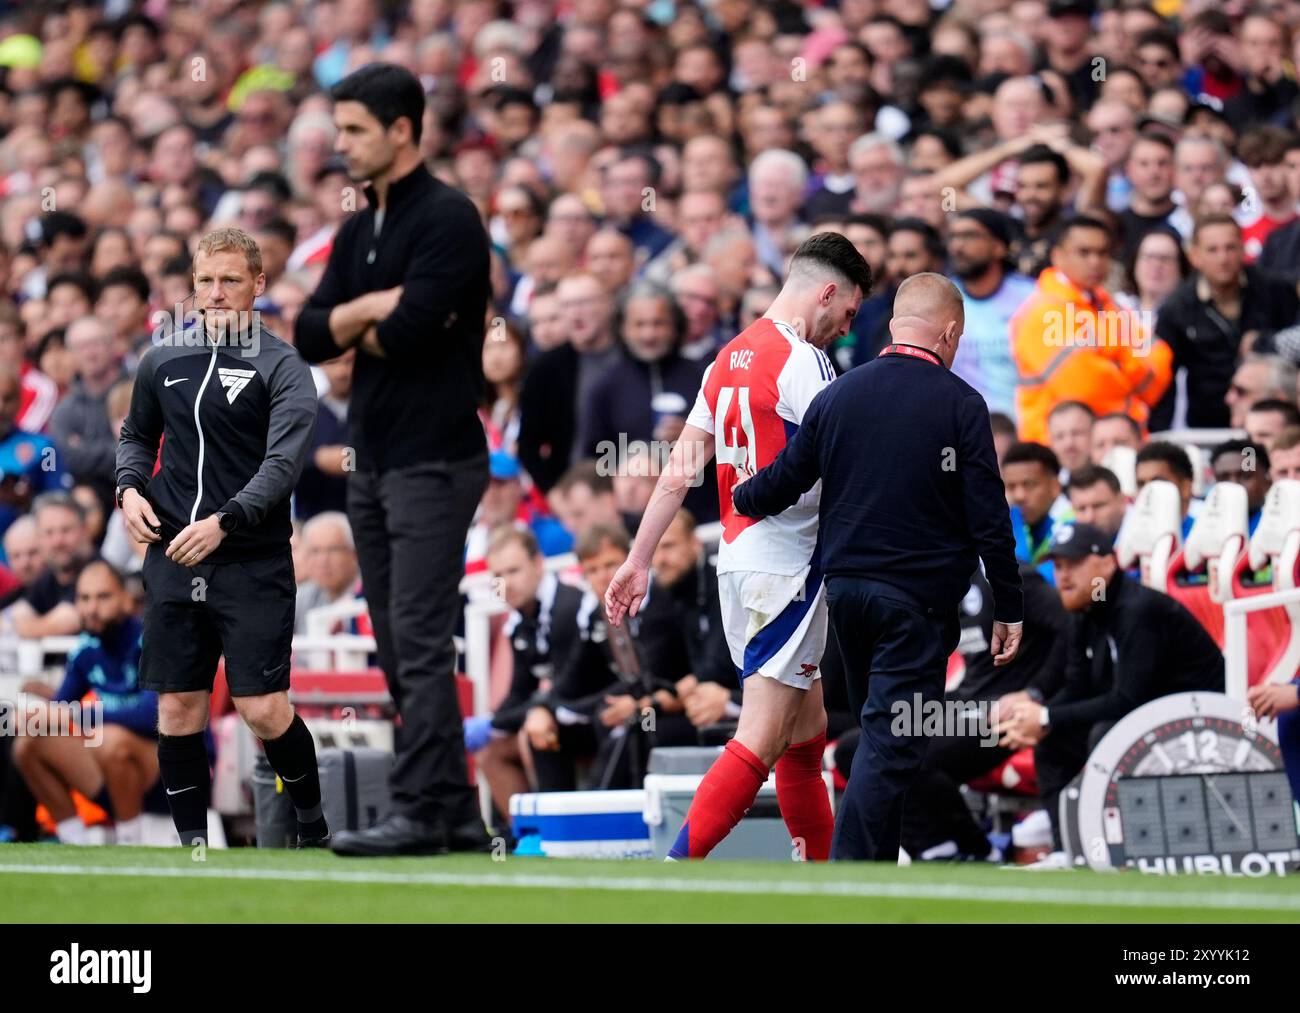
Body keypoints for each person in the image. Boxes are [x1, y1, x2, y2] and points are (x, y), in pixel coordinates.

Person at [732, 273, 1024, 861]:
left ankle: (881, 868)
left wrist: (739, 494)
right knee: (893, 743)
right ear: (949, 332)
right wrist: (1008, 605)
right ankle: (850, 878)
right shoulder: (962, 404)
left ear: (894, 325)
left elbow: (783, 483)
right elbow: (990, 516)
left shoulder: (839, 395)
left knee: (883, 737)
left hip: (848, 600)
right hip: (914, 601)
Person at [606, 232, 871, 861]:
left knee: (805, 738)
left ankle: (822, 881)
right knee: (760, 735)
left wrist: (638, 559)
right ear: (827, 292)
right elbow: (841, 461)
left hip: (738, 565)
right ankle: (675, 867)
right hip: (787, 571)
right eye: (849, 312)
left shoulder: (726, 357)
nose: (845, 327)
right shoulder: (804, 361)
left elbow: (677, 472)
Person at [294, 64, 494, 856]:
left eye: (353, 131)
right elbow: (309, 333)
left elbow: (410, 331)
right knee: (398, 639)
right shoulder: (357, 227)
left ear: (402, 129)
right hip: (373, 461)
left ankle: (418, 804)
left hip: (435, 458)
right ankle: (450, 811)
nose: (340, 145)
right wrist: (366, 310)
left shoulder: (448, 217)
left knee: (414, 636)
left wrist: (362, 323)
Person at [116, 226, 324, 850]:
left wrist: (225, 522)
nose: (216, 293)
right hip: (175, 553)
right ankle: (193, 850)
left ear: (258, 285)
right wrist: (128, 490)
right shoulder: (162, 358)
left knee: (262, 708)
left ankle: (312, 828)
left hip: (251, 560)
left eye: (231, 280)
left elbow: (282, 468)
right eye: (205, 280)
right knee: (177, 706)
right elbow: (135, 436)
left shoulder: (284, 367)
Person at [995, 522, 1225, 863]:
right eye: (1058, 566)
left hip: (1197, 723)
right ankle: (1067, 850)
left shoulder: (1137, 610)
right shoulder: (1084, 611)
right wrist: (1037, 720)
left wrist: (1046, 715)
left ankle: (1119, 847)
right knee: (1053, 742)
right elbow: (1077, 687)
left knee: (1104, 733)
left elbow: (1128, 700)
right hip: (1148, 721)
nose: (1064, 576)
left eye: (1074, 564)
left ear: (1107, 563)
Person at [12, 560, 158, 845]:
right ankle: (74, 842)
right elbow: (60, 712)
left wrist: (76, 716)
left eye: (103, 597)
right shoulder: (84, 650)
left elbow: (154, 714)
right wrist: (30, 716)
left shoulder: (151, 640)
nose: (92, 608)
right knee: (29, 742)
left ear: (127, 600)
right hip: (112, 771)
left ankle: (130, 844)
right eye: (84, 598)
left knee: (111, 740)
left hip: (171, 766)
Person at [1010, 215, 1172, 443]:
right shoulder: (1042, 312)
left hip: (1110, 445)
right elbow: (1086, 388)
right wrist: (1128, 370)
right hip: (1056, 451)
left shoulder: (1108, 305)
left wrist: (1116, 363)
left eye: (1103, 253)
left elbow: (1160, 360)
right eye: (1084, 252)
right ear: (1057, 255)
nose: (1095, 261)